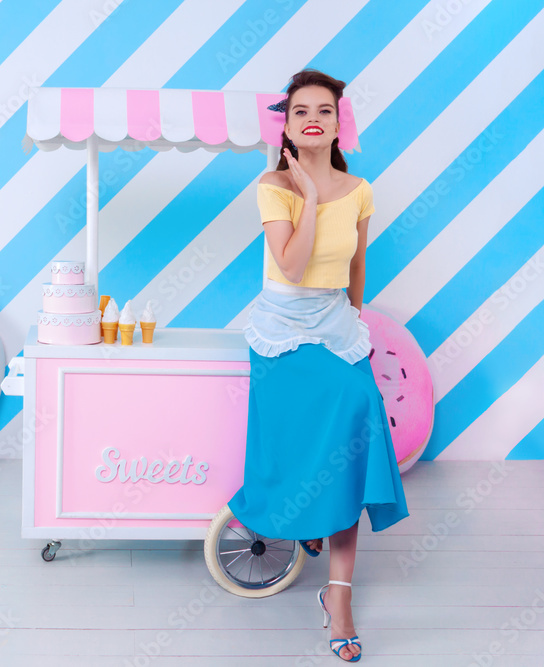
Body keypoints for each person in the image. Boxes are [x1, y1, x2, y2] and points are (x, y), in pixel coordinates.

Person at [227, 69, 409, 663]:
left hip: (335, 324)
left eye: (325, 110)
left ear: (337, 122)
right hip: (282, 328)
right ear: (287, 124)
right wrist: (306, 190)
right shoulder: (273, 186)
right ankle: (285, 516)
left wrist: (354, 321)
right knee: (325, 428)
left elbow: (355, 269)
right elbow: (295, 264)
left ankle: (340, 596)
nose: (313, 117)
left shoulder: (360, 190)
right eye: (301, 109)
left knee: (355, 432)